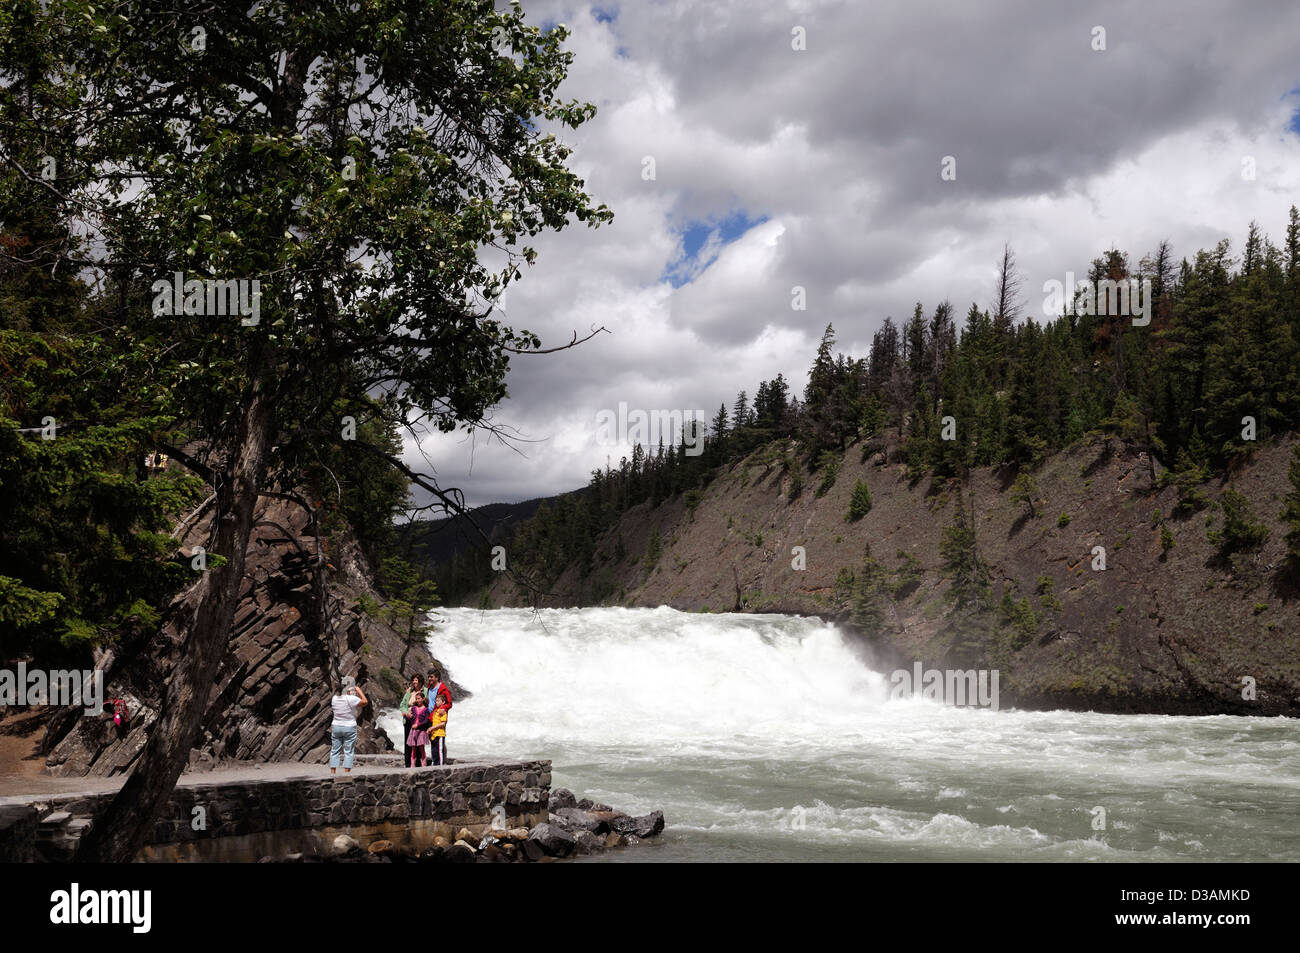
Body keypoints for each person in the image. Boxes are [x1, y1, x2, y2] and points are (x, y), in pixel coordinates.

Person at [329, 676, 367, 775]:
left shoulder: (334, 699)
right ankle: (346, 774)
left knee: (335, 750)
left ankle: (333, 773)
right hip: (349, 727)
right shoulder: (351, 699)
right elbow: (364, 702)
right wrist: (358, 690)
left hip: (336, 726)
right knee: (348, 751)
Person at [399, 674, 424, 767]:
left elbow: (426, 703)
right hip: (408, 719)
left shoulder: (425, 691)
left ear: (420, 681)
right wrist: (406, 713)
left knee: (418, 741)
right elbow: (402, 705)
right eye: (413, 680)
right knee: (408, 741)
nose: (414, 682)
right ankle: (408, 763)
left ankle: (418, 763)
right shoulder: (409, 691)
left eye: (416, 680)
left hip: (419, 719)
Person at [406, 690, 430, 768]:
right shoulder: (414, 708)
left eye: (419, 698)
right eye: (416, 699)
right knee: (413, 748)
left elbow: (426, 721)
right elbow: (411, 718)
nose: (417, 700)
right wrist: (408, 716)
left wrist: (418, 725)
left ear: (423, 699)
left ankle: (424, 764)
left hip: (421, 731)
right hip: (413, 730)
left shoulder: (426, 709)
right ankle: (412, 764)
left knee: (421, 748)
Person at [427, 686, 450, 766]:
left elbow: (443, 723)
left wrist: (432, 728)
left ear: (443, 702)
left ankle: (440, 765)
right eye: (436, 701)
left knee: (440, 751)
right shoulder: (435, 711)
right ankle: (434, 763)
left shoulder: (443, 711)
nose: (436, 702)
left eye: (438, 701)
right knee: (434, 750)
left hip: (440, 734)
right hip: (434, 734)